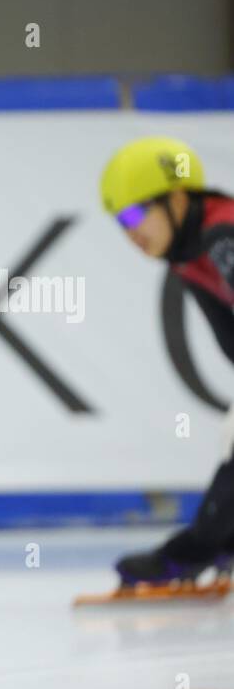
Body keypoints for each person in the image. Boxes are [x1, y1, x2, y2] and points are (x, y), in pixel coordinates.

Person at [101, 136, 234, 586]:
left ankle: (200, 548)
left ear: (177, 199)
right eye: (119, 221)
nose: (129, 231)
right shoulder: (187, 253)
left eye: (136, 213)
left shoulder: (223, 235)